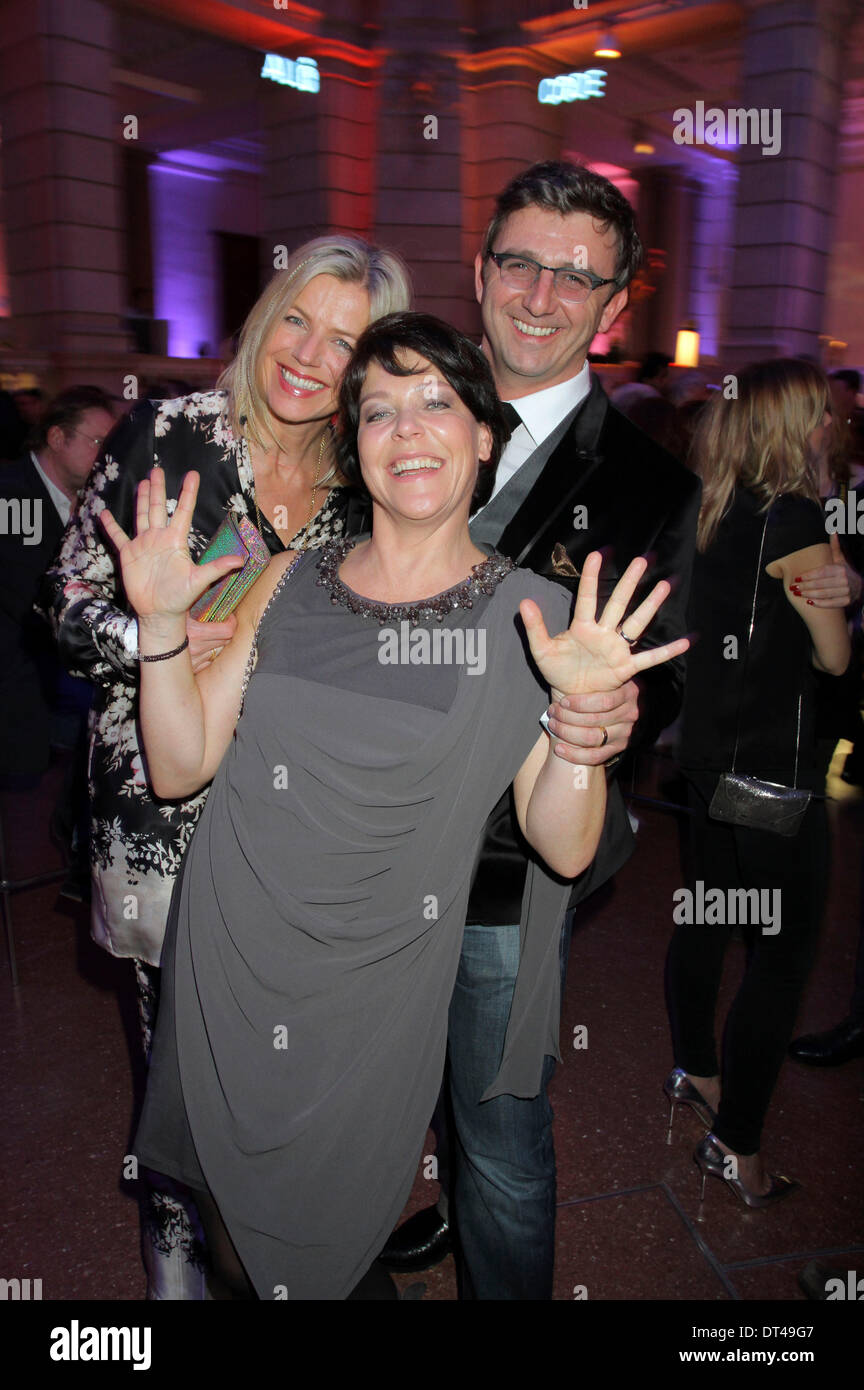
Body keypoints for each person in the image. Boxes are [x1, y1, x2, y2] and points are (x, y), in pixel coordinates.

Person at [103, 311, 688, 1299]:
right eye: (380, 412)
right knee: (241, 1244)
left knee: (327, 1240)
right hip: (231, 960)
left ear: (485, 436)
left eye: (436, 404)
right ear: (356, 444)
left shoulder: (525, 618)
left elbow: (563, 842)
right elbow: (180, 764)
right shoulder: (288, 581)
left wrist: (582, 729)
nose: (409, 430)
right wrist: (161, 622)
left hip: (371, 993)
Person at [38, 235, 412, 1299]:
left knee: (276, 1060)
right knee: (177, 1065)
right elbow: (60, 605)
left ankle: (285, 1240)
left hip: (291, 825)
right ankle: (176, 1255)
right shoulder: (170, 434)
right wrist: (155, 636)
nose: (308, 354)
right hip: (161, 812)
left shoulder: (361, 479)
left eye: (345, 341)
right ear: (262, 317)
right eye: (297, 317)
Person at [381, 160, 700, 1299]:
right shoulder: (398, 412)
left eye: (579, 276)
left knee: (504, 1130)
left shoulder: (654, 486)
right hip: (356, 845)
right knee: (397, 1090)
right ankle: (444, 1199)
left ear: (616, 308)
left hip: (507, 868)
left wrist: (608, 717)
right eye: (520, 260)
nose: (540, 294)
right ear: (479, 271)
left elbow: (655, 678)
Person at [665, 359, 850, 1205]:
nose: (831, 428)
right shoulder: (799, 518)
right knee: (782, 959)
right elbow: (835, 655)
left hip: (703, 761)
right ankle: (738, 1144)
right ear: (791, 426)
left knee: (708, 916)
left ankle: (693, 1069)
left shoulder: (705, 506)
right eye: (818, 416)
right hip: (773, 774)